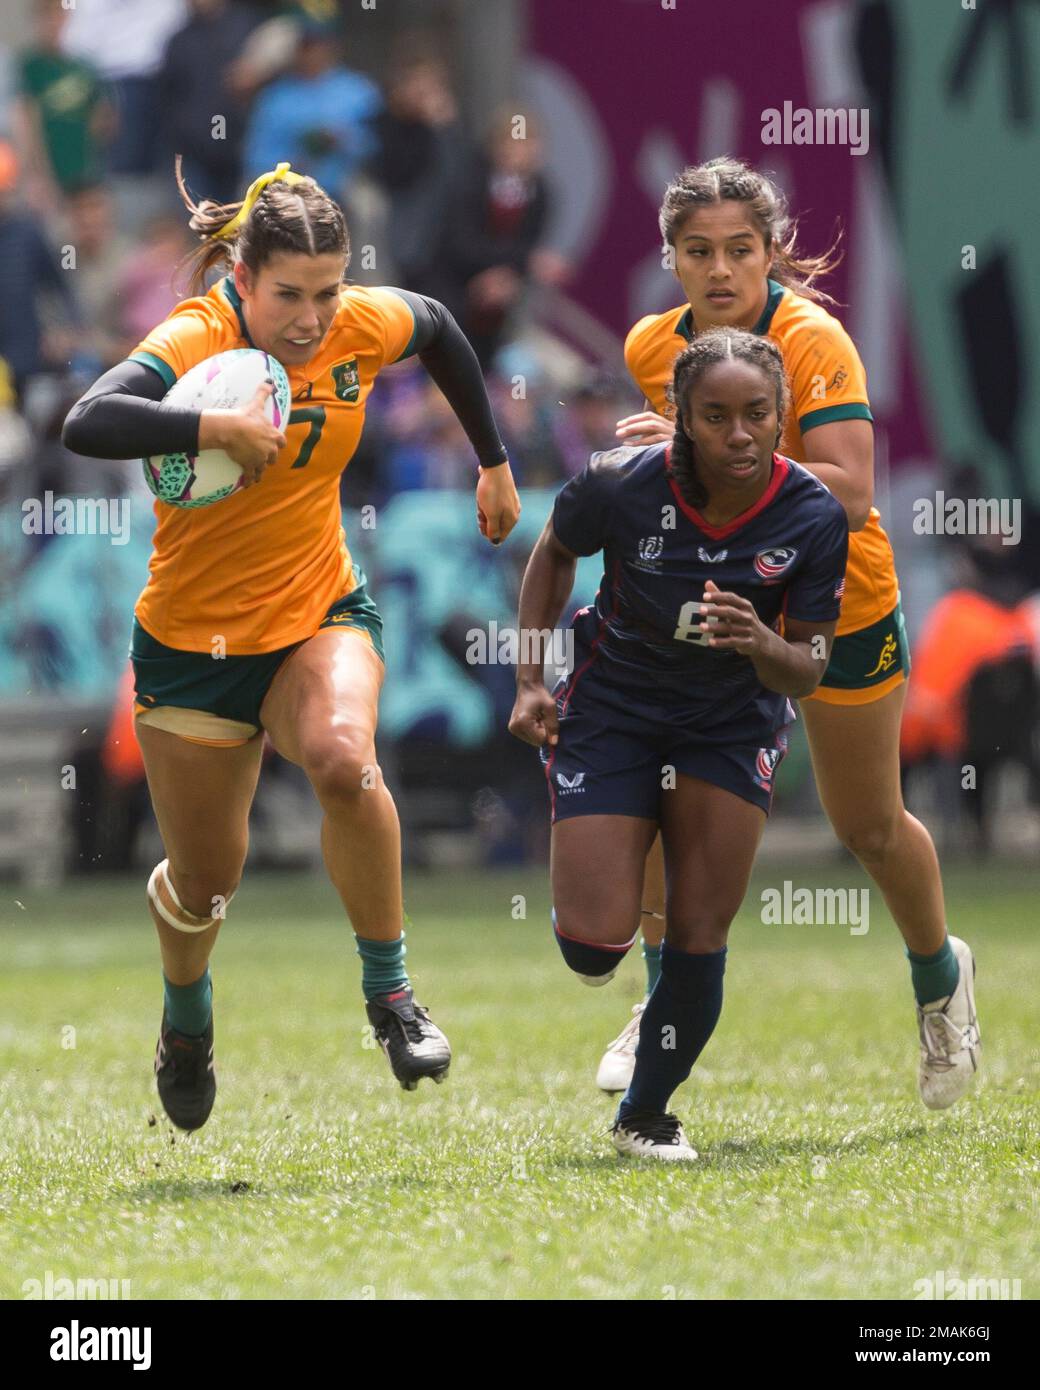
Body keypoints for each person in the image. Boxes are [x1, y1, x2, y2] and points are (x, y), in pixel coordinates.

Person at [62, 160, 521, 1131]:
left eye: (328, 290)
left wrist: (492, 461)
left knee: (345, 761)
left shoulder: (356, 322)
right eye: (289, 295)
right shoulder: (198, 335)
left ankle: (391, 994)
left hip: (316, 610)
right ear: (240, 274)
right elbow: (88, 418)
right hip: (191, 644)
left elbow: (436, 324)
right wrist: (207, 421)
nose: (313, 317)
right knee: (205, 883)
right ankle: (186, 1020)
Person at [596, 157, 979, 1112]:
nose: (720, 269)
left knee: (870, 827)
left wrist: (703, 456)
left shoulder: (814, 341)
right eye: (698, 252)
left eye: (740, 249)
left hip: (834, 605)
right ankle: (660, 1009)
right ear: (671, 259)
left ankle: (941, 982)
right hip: (717, 613)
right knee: (657, 797)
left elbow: (850, 492)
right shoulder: (655, 346)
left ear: (772, 252)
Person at [509, 329, 848, 1160]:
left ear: (782, 418)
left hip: (730, 725)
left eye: (757, 415)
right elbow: (554, 553)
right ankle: (607, 896)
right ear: (681, 419)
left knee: (699, 933)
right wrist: (528, 678)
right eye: (717, 416)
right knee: (592, 944)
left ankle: (646, 1115)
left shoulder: (812, 514)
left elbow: (806, 668)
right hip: (615, 707)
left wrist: (760, 644)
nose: (739, 434)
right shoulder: (617, 485)